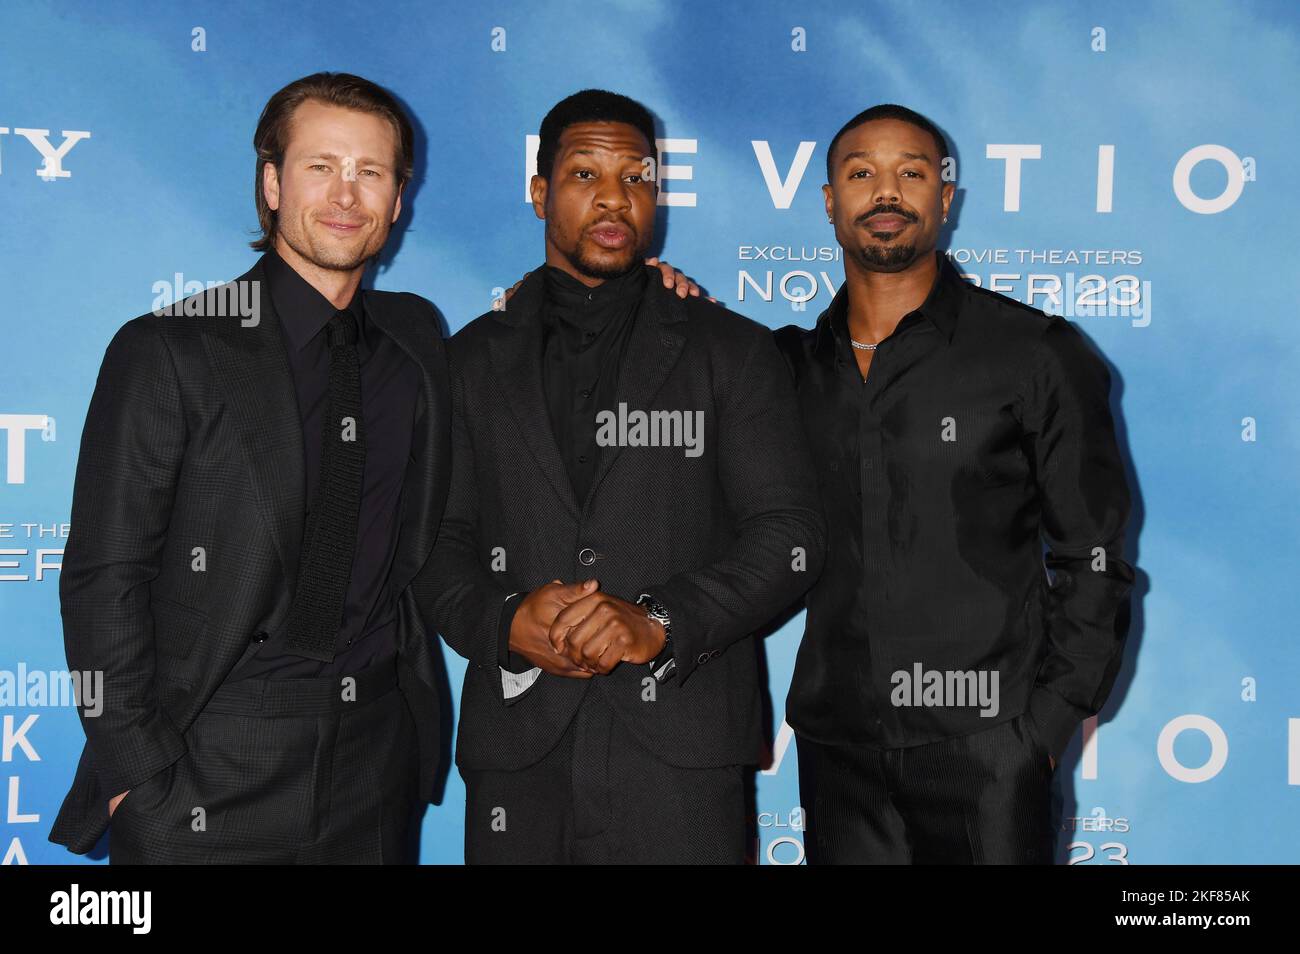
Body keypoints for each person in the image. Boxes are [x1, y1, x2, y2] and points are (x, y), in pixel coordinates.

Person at [49, 72, 448, 863]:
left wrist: (659, 295)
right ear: (270, 183)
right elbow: (104, 573)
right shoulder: (171, 348)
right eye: (320, 166)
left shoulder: (418, 339)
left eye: (371, 172)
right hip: (205, 763)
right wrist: (139, 778)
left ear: (398, 200)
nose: (346, 194)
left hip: (375, 762)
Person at [419, 89, 825, 864]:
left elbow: (791, 534)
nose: (614, 197)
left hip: (682, 749)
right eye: (584, 175)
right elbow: (434, 541)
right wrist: (503, 620)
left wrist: (661, 621)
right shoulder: (466, 360)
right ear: (540, 192)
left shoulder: (731, 351)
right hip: (519, 758)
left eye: (637, 177)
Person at [775, 104, 1135, 864]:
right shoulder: (784, 370)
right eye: (861, 172)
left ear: (946, 197)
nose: (886, 192)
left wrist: (1040, 731)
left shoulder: (1034, 354)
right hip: (837, 753)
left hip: (988, 751)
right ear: (829, 201)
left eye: (912, 172)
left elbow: (1094, 557)